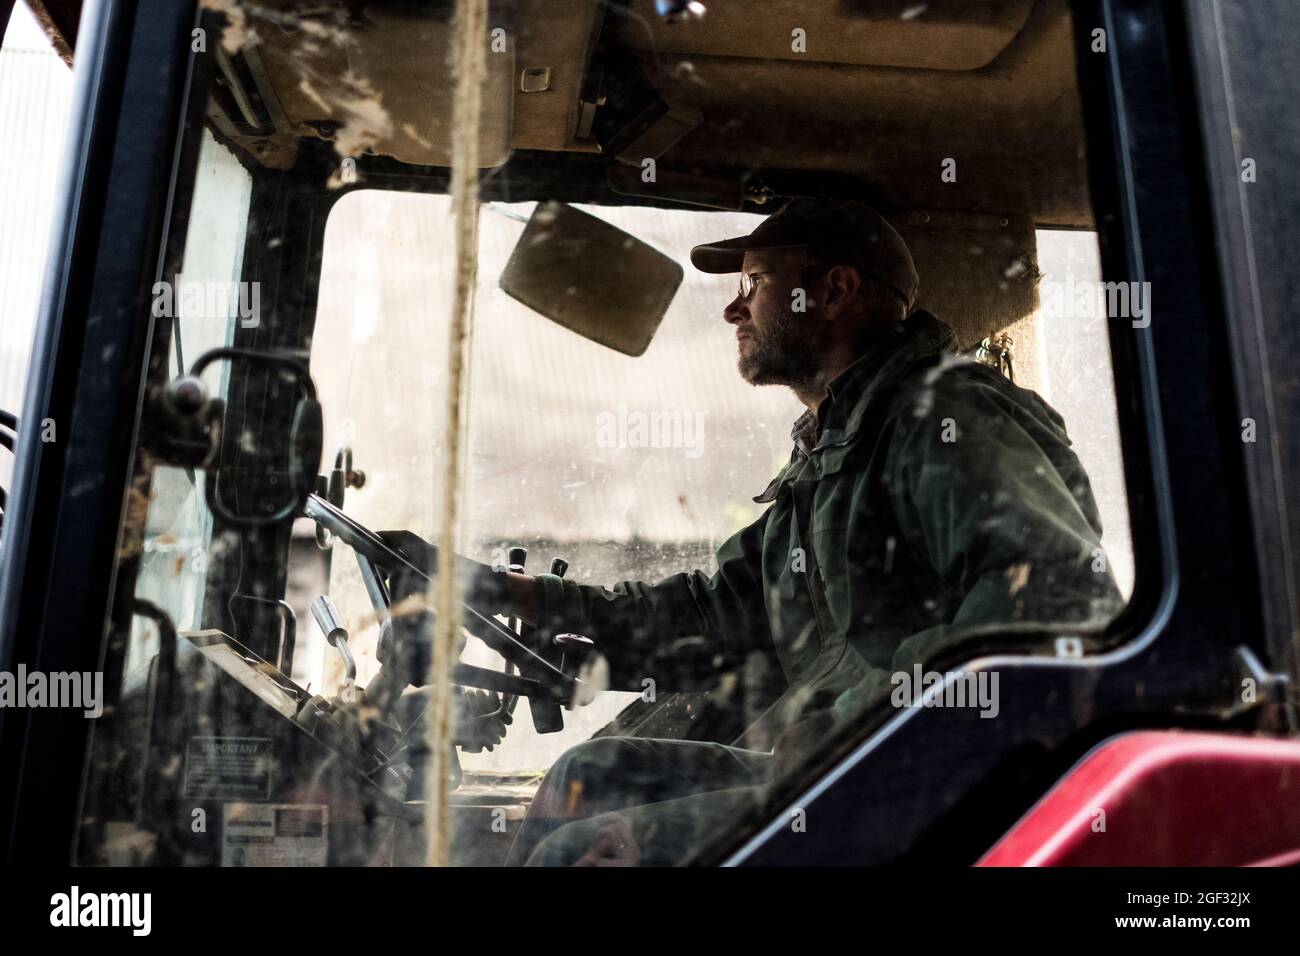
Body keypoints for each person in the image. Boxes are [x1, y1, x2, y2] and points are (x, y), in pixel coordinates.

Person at [477, 199, 1122, 865]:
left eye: (752, 284)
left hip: (919, 782)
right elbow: (712, 612)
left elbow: (1056, 599)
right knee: (586, 776)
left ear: (836, 291)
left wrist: (853, 725)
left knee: (584, 849)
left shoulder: (944, 414)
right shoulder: (836, 451)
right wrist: (520, 599)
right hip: (831, 766)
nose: (734, 311)